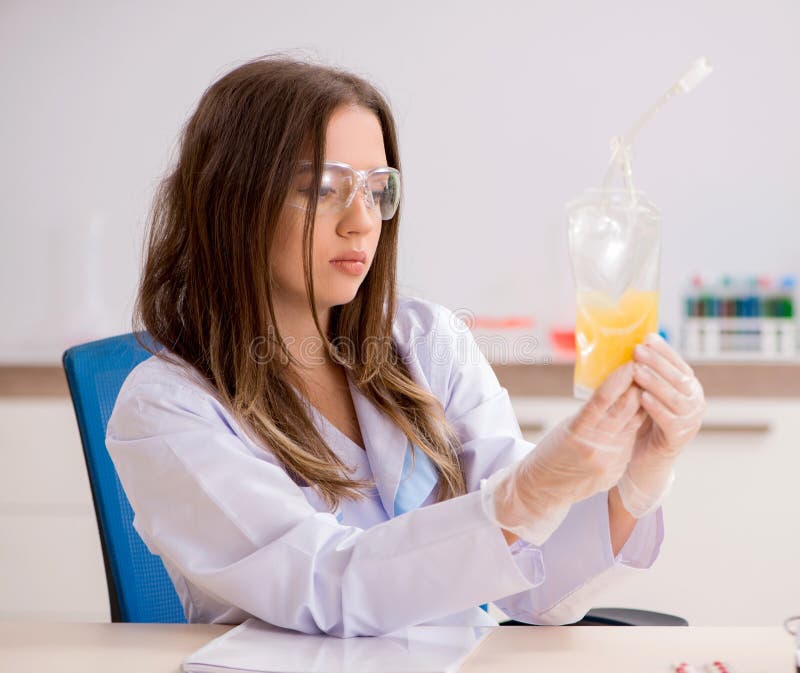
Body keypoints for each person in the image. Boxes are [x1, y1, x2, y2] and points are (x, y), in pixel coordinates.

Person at [105, 54, 706, 638]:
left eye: (376, 188)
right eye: (322, 187)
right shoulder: (166, 409)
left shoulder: (426, 343)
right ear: (230, 201)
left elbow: (537, 587)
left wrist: (642, 474)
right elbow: (327, 587)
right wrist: (519, 501)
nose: (362, 221)